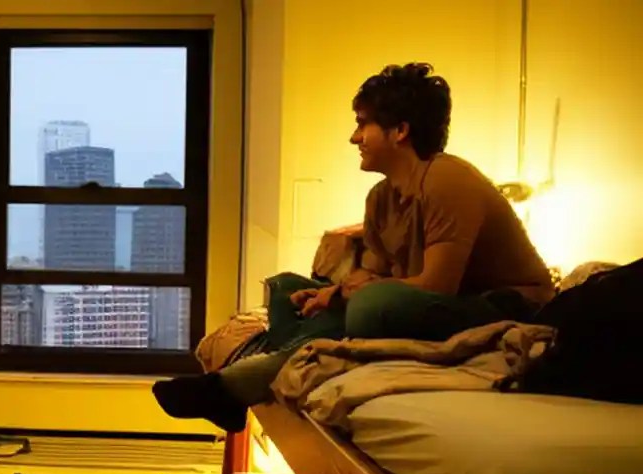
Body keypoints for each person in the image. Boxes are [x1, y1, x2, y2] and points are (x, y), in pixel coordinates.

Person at [153, 62, 555, 432]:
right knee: (288, 289)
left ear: (400, 130)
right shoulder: (381, 198)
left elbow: (437, 286)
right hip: (430, 303)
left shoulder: (448, 182)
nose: (354, 137)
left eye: (363, 125)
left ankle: (234, 385)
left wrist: (351, 294)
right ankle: (237, 384)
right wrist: (333, 292)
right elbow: (374, 275)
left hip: (502, 305)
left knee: (369, 308)